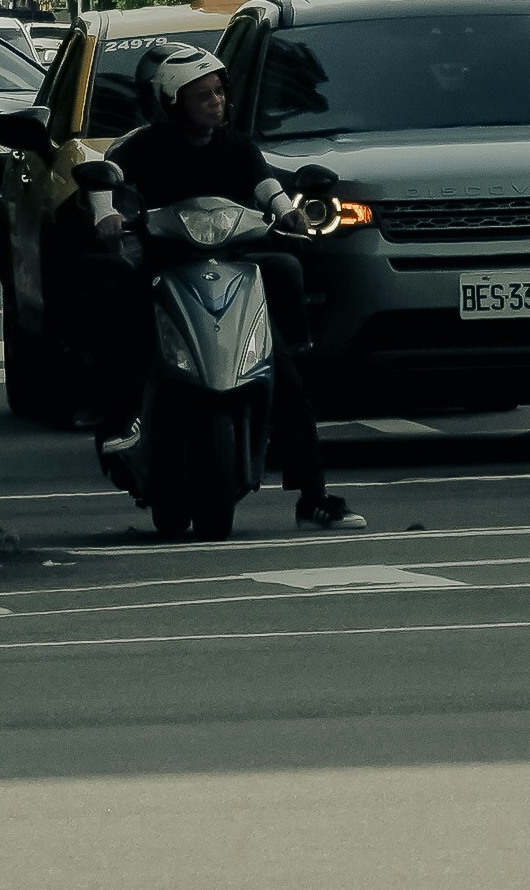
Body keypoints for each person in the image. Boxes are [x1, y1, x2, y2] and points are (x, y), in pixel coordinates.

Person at [85, 47, 353, 530]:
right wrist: (106, 213)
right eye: (202, 95)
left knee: (287, 365)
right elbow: (108, 179)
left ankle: (314, 496)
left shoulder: (236, 146)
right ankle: (119, 424)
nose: (215, 102)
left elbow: (266, 185)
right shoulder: (141, 147)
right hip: (165, 266)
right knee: (120, 314)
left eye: (218, 92)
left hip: (233, 264)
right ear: (171, 103)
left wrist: (289, 211)